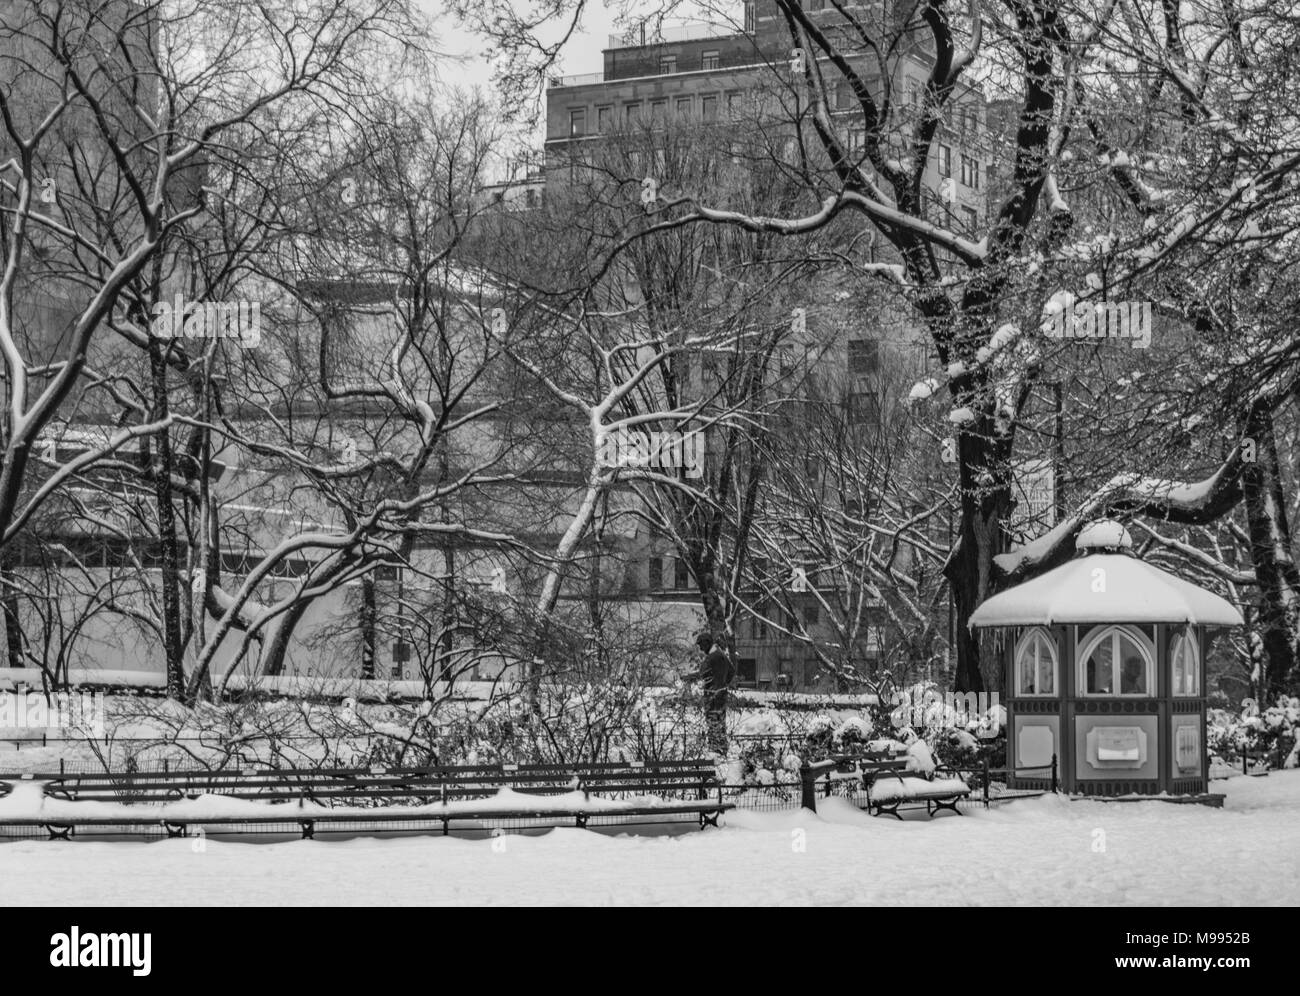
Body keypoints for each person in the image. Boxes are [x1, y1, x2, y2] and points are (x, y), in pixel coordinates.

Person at [690, 631, 734, 755]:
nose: (700, 648)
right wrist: (723, 684)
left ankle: (716, 752)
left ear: (707, 643)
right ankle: (721, 750)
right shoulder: (721, 655)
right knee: (720, 724)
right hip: (722, 695)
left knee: (713, 724)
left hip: (712, 697)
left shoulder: (711, 657)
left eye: (701, 645)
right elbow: (732, 671)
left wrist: (688, 678)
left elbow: (702, 674)